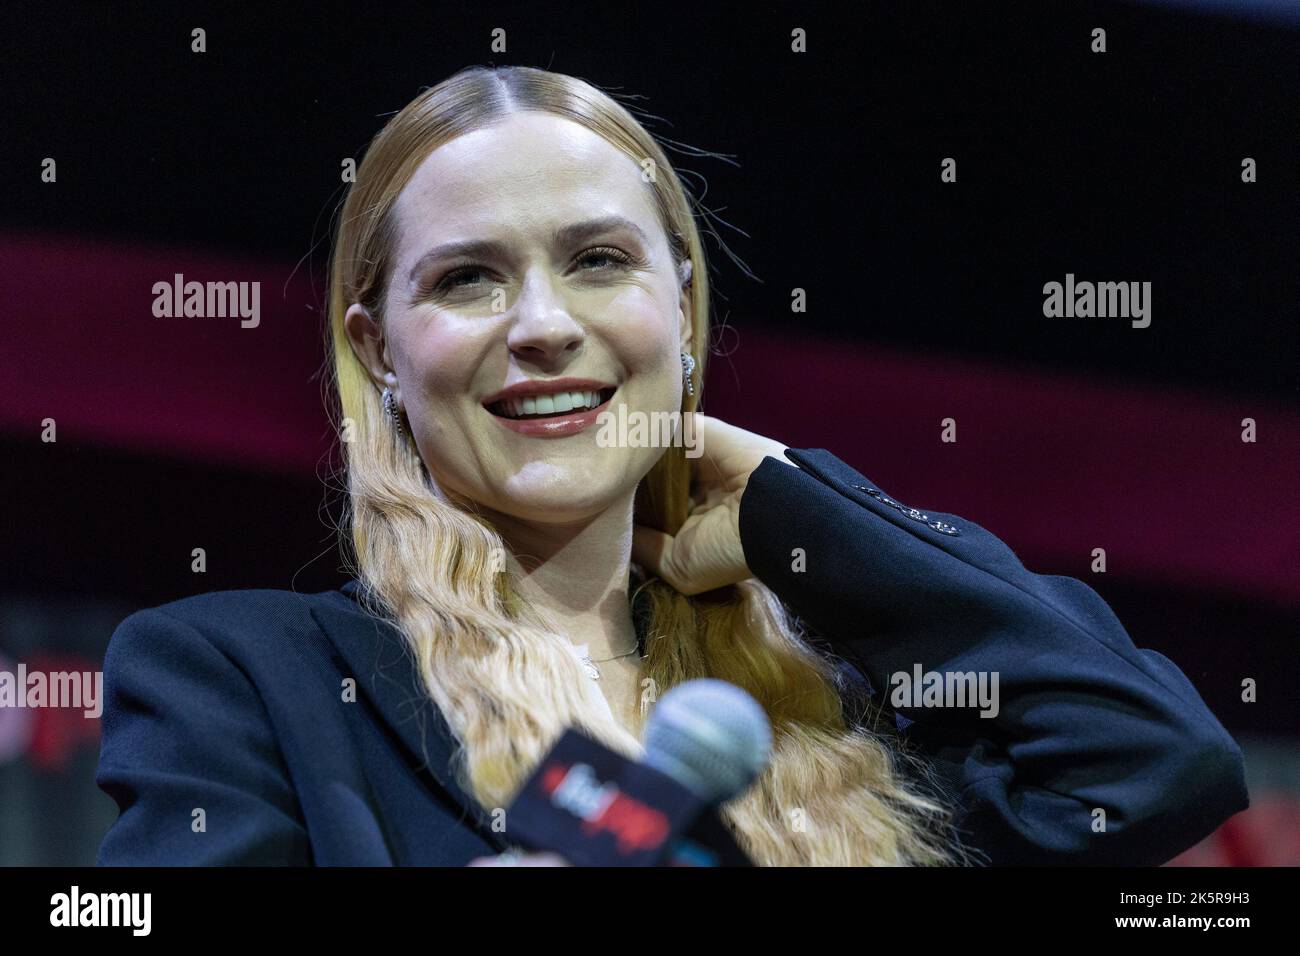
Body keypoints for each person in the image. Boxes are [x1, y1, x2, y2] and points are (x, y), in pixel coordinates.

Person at [94, 65, 1248, 866]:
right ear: (377, 348)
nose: (542, 323)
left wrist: (805, 516)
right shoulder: (235, 678)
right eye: (467, 279)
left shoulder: (856, 704)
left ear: (683, 312)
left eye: (597, 260)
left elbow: (1152, 761)